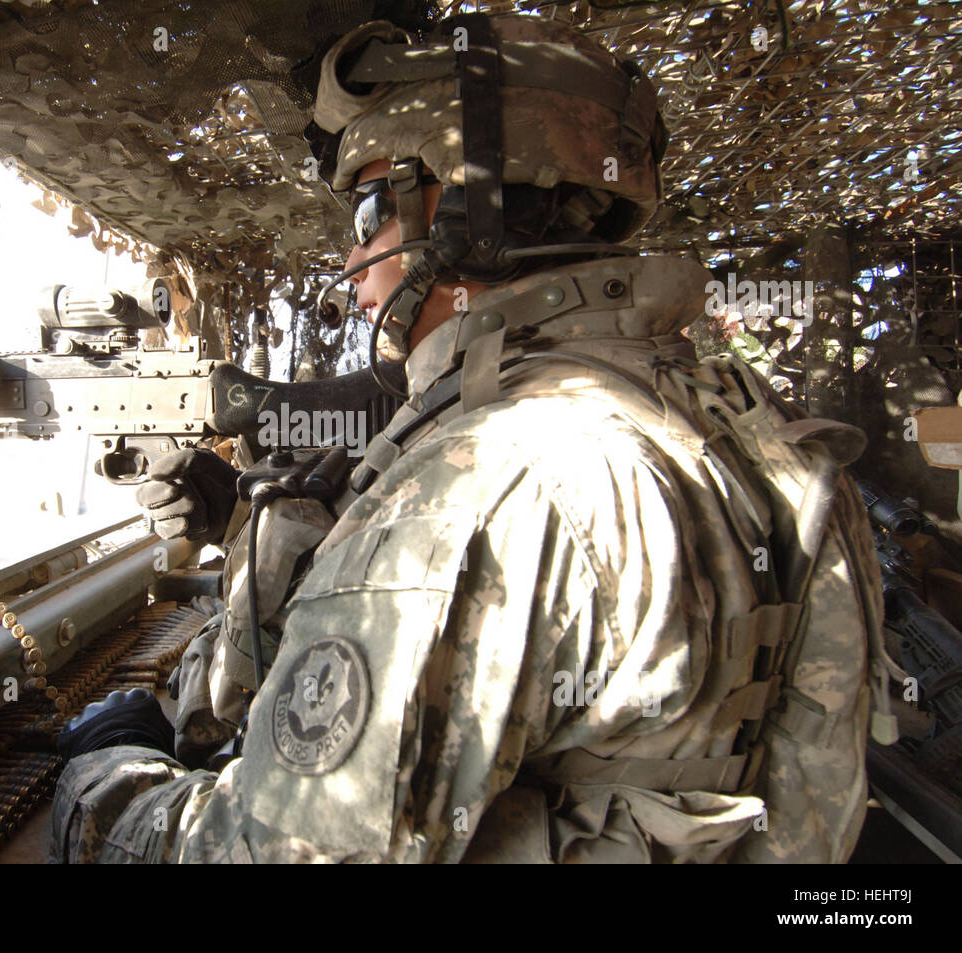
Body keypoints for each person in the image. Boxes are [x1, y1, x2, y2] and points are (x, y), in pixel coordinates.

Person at [50, 12, 887, 863]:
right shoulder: (749, 423)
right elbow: (813, 800)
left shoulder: (491, 478)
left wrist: (103, 784)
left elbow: (270, 852)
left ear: (465, 212)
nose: (358, 266)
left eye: (370, 211)